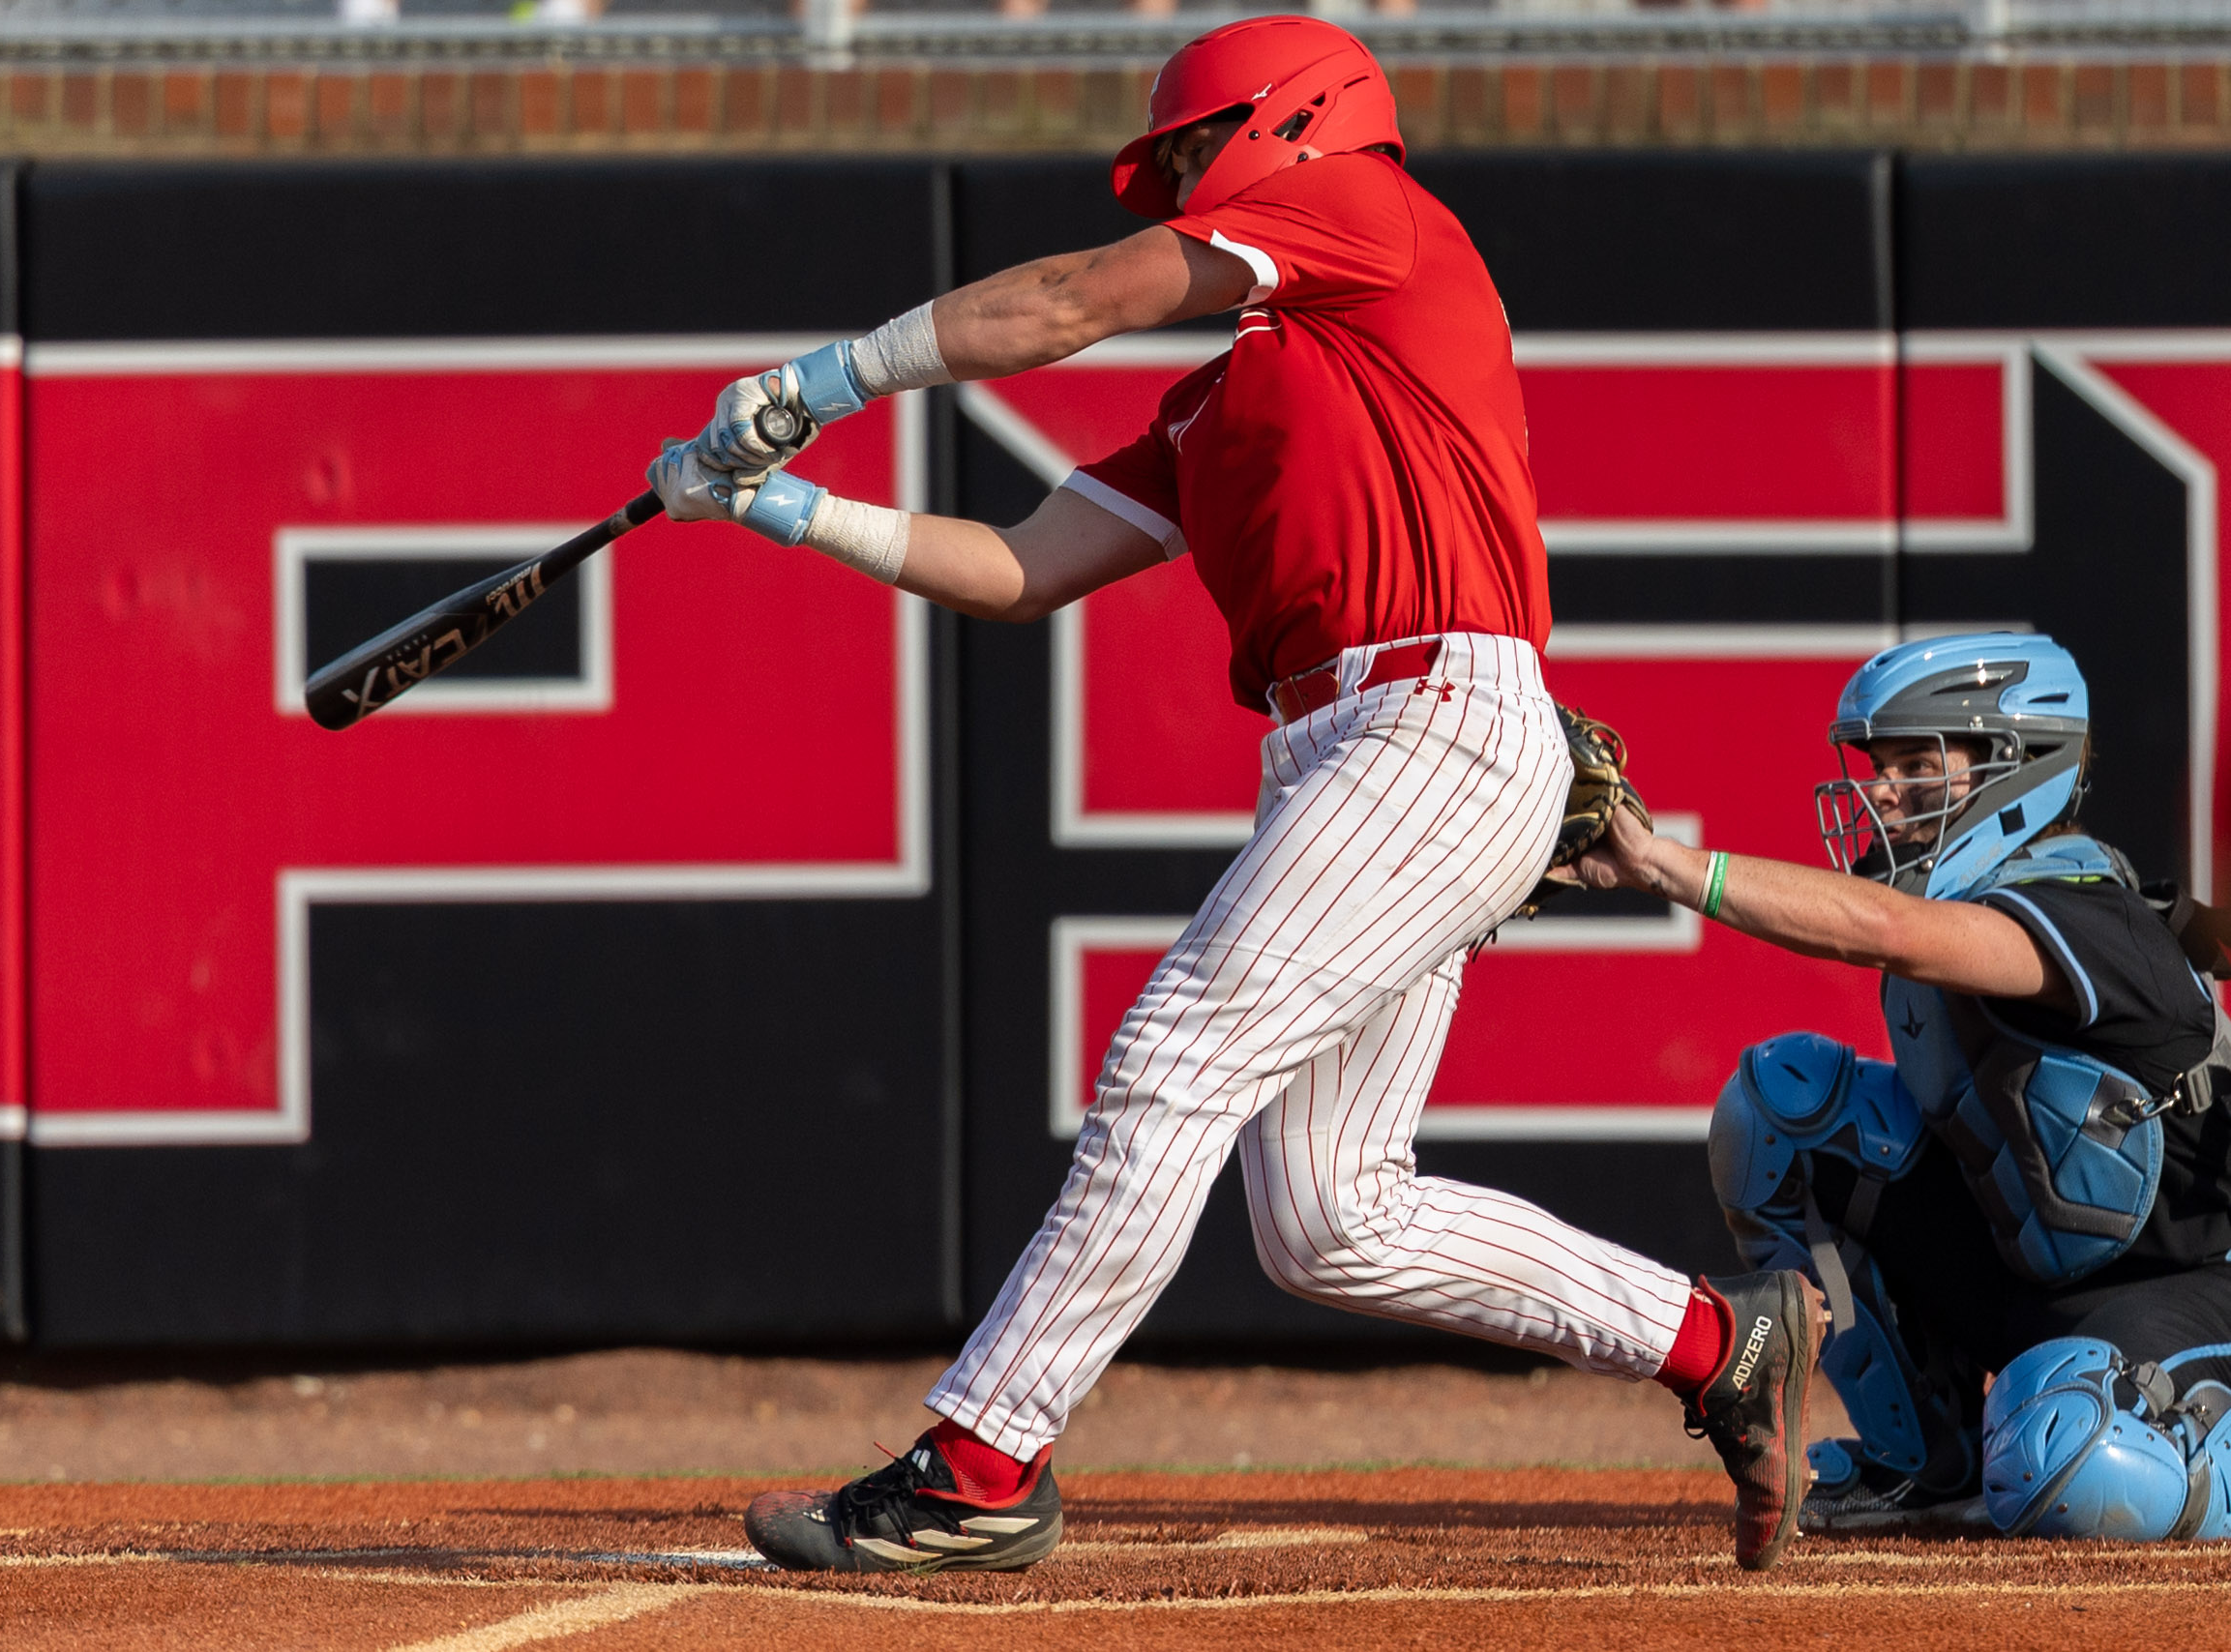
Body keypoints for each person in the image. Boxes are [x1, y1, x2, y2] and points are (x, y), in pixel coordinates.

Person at [647, 15, 1820, 1577]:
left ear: (1295, 120)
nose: (1186, 189)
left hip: (1432, 717)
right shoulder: (1221, 405)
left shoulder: (1368, 209)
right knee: (1327, 1218)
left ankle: (982, 1461)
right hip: (1347, 749)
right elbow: (1013, 569)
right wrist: (777, 507)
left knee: (1167, 1064)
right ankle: (1703, 1338)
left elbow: (1071, 298)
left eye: (1198, 154)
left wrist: (828, 374)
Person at [1570, 632, 2231, 1541]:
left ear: (2015, 769)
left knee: (2065, 1459)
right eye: (1879, 767)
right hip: (2024, 1269)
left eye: (1917, 765)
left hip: (2182, 1292)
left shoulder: (2080, 912)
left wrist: (1664, 864)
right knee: (1777, 1106)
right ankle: (1927, 1463)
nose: (1880, 793)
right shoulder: (1974, 905)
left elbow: (1888, 932)